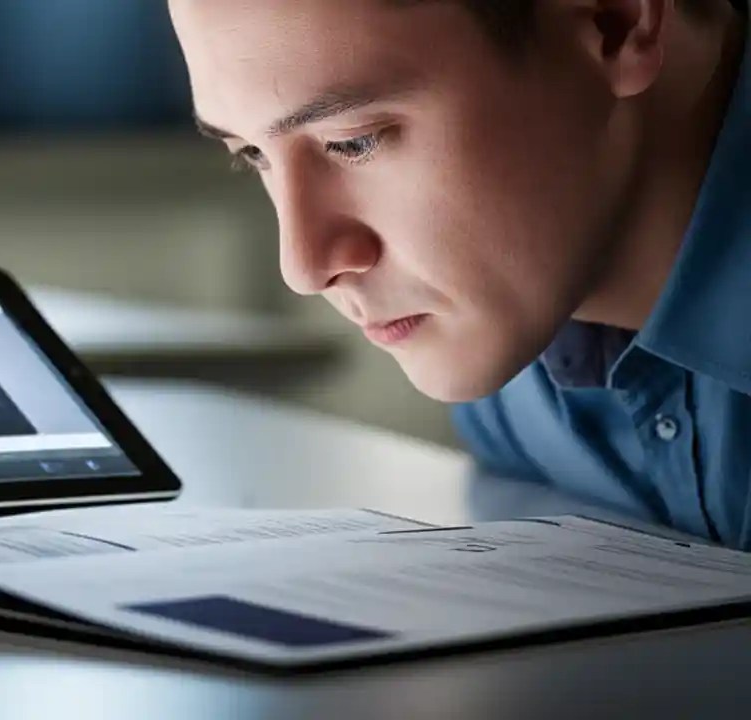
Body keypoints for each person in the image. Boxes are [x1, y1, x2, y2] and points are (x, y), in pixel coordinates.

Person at [167, 0, 750, 547]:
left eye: (355, 143)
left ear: (613, 22)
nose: (303, 266)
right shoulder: (508, 337)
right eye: (252, 155)